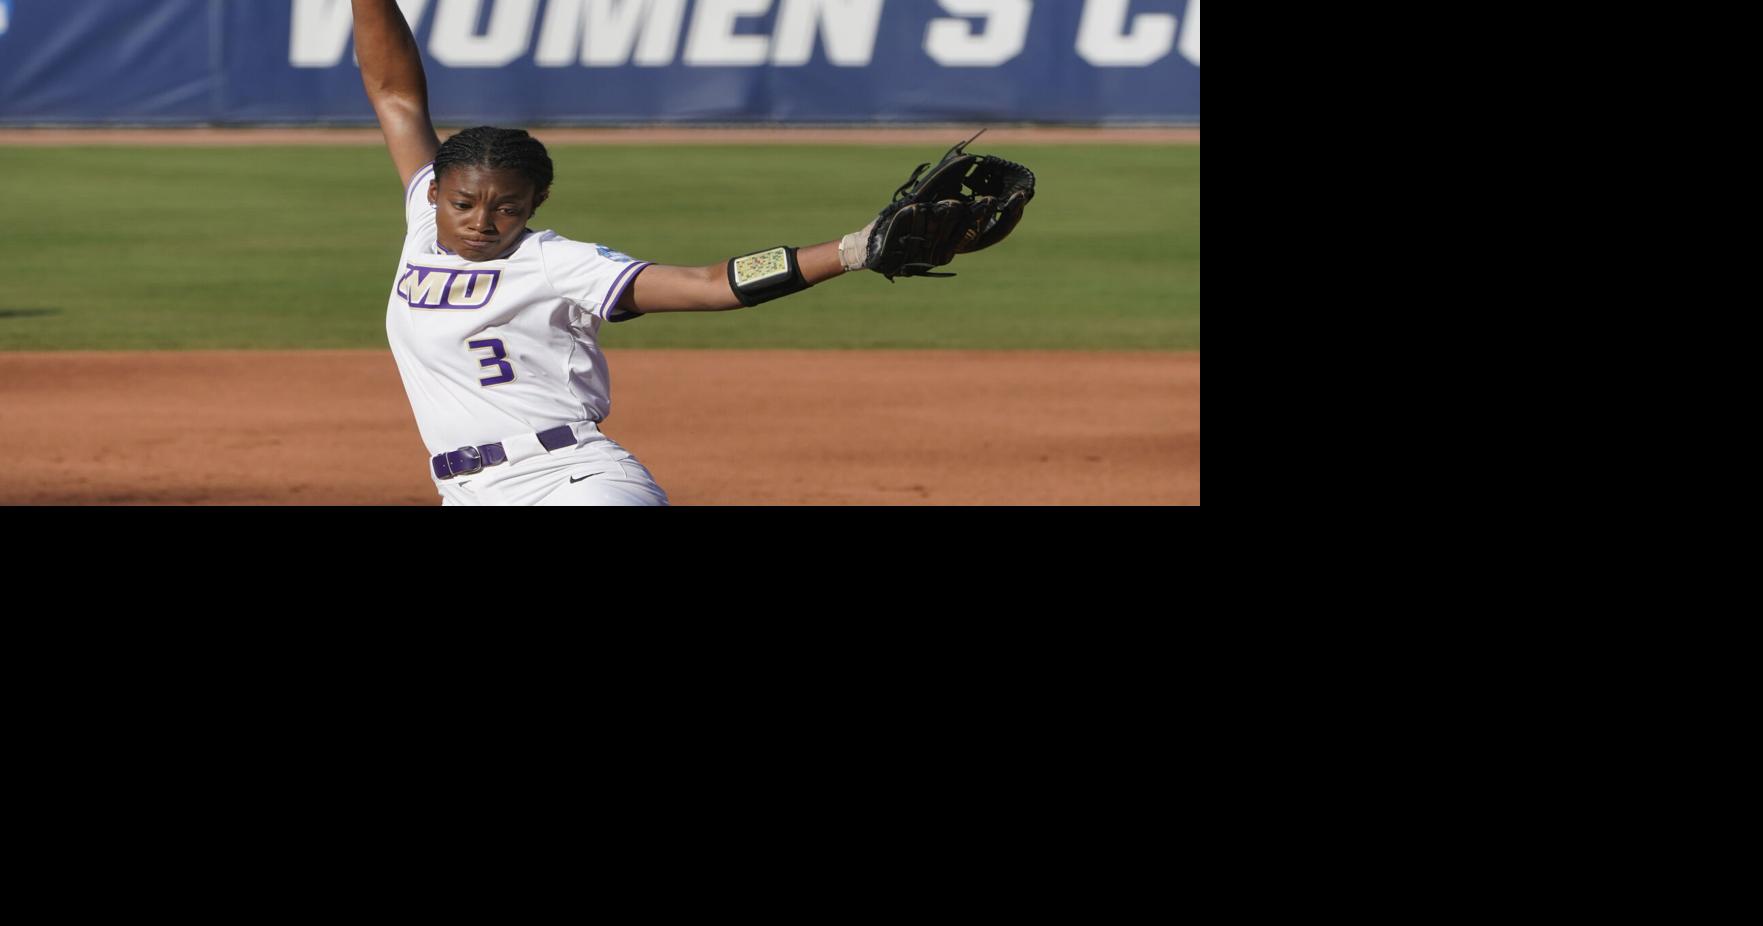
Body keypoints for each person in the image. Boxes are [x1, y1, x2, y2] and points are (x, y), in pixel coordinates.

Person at [351, 0, 878, 506]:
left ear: (538, 201)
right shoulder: (423, 227)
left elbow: (710, 285)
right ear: (433, 193)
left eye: (508, 208)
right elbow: (394, 93)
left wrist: (851, 250)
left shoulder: (556, 261)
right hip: (467, 493)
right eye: (463, 203)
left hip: (573, 481)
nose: (482, 222)